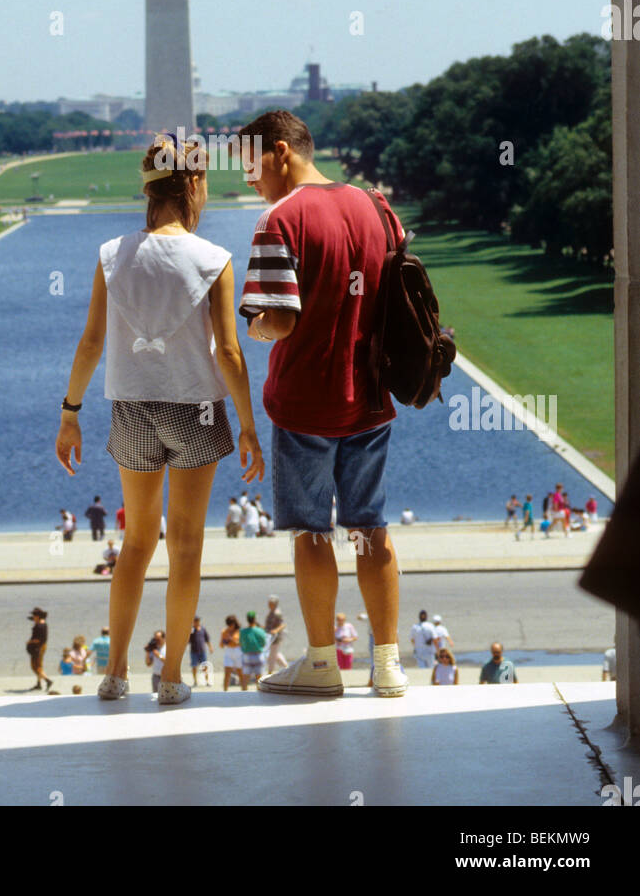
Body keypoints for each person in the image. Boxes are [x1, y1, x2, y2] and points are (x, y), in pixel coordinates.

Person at [56, 135, 264, 707]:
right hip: (196, 409)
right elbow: (229, 353)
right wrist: (248, 424)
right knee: (188, 546)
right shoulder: (214, 258)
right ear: (194, 185)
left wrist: (70, 414)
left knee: (136, 543)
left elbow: (92, 341)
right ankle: (172, 675)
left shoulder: (109, 255)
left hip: (130, 407)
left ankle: (117, 671)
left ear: (146, 189)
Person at [236, 111, 407, 699]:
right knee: (372, 531)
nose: (250, 183)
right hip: (372, 399)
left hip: (306, 402)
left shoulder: (279, 219)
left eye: (252, 168)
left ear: (279, 152)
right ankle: (386, 665)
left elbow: (279, 319)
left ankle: (320, 664)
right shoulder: (377, 206)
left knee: (311, 533)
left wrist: (251, 328)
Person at [239, 611, 268, 688]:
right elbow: (264, 643)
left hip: (247, 655)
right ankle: (259, 697)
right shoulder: (261, 631)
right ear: (255, 619)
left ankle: (243, 696)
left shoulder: (243, 631)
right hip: (258, 655)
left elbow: (241, 643)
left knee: (245, 678)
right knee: (259, 679)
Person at [26, 608, 52, 692]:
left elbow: (40, 638)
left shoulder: (40, 626)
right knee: (39, 665)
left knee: (35, 666)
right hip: (40, 647)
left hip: (38, 647)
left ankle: (47, 680)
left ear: (37, 616)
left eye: (34, 616)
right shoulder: (41, 624)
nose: (33, 617)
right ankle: (39, 683)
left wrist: (30, 642)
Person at [264, 596, 288, 672]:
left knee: (272, 655)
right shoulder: (271, 612)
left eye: (270, 604)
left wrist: (275, 630)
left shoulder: (277, 613)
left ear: (274, 604)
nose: (269, 605)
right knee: (275, 654)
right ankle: (286, 667)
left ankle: (270, 672)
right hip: (270, 637)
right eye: (269, 603)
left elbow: (283, 625)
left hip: (275, 638)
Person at [188, 616, 212, 686]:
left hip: (202, 651)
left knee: (205, 666)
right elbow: (187, 640)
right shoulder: (191, 630)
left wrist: (210, 647)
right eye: (195, 621)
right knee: (194, 667)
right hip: (194, 651)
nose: (197, 622)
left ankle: (207, 681)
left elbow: (207, 639)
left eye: (198, 621)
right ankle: (195, 681)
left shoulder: (203, 629)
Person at [220, 615, 242, 690]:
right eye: (228, 625)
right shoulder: (224, 631)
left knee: (240, 673)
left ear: (234, 623)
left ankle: (244, 690)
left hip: (238, 651)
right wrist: (225, 641)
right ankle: (225, 691)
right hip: (229, 651)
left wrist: (232, 639)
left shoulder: (239, 631)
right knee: (227, 673)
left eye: (231, 625)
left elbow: (241, 643)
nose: (230, 626)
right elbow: (221, 645)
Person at [145, 630, 166, 695]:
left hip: (166, 676)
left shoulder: (168, 647)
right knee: (155, 695)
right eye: (155, 639)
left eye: (158, 639)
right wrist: (148, 652)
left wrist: (159, 655)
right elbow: (148, 664)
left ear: (163, 638)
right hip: (156, 676)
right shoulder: (154, 649)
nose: (157, 641)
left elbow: (170, 663)